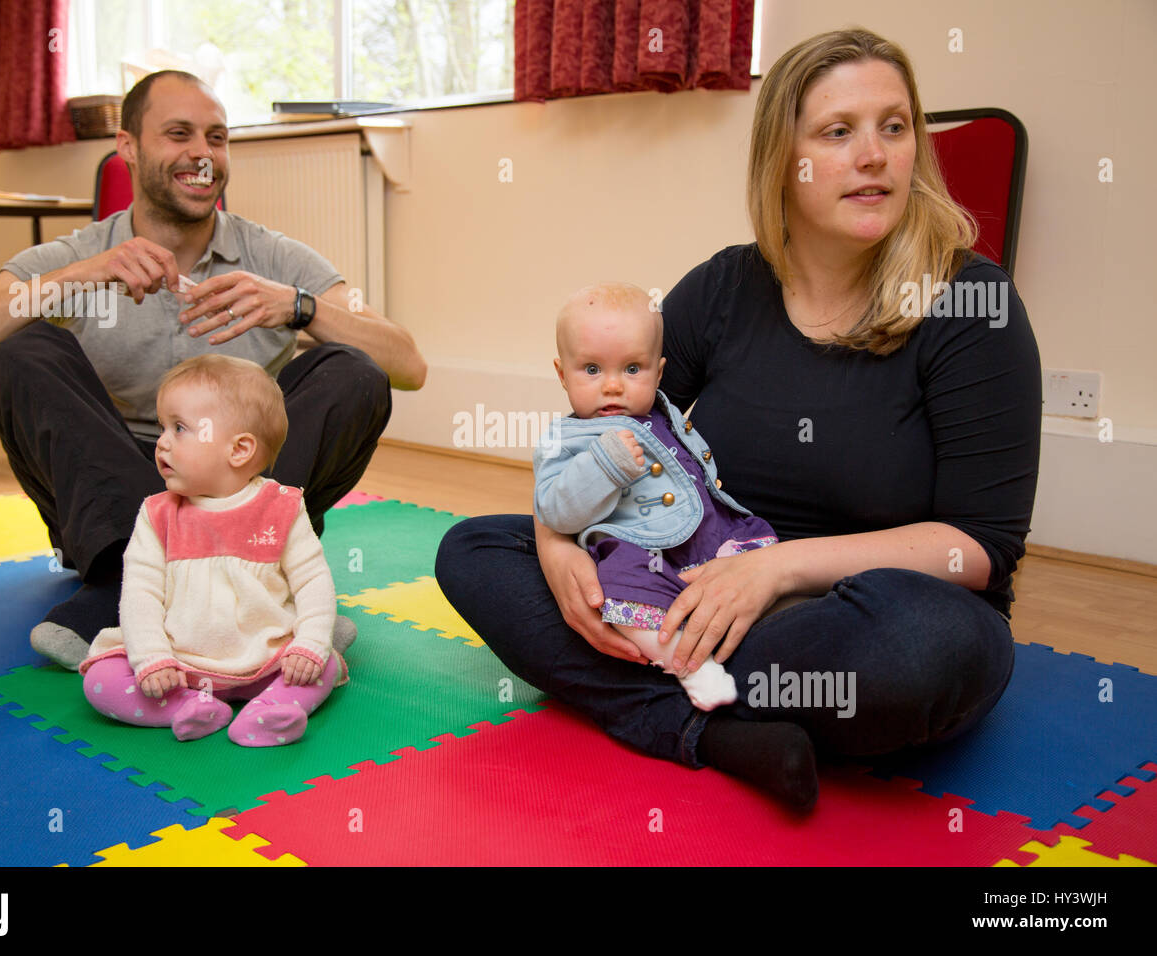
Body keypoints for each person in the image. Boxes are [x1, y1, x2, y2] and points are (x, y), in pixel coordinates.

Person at [436, 28, 1040, 812]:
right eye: (838, 131)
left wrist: (775, 571)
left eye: (895, 127)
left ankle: (659, 699)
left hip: (854, 612)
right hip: (687, 581)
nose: (875, 155)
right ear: (781, 161)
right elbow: (598, 432)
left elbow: (980, 548)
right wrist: (556, 546)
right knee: (474, 549)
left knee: (920, 652)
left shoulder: (972, 307)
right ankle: (709, 726)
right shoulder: (724, 288)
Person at [0, 70, 426, 671]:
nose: (202, 154)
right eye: (179, 134)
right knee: (21, 348)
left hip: (240, 505)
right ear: (128, 148)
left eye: (217, 137)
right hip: (108, 508)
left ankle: (136, 599)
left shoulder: (273, 256)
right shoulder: (76, 255)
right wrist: (78, 278)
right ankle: (159, 579)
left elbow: (407, 365)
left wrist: (300, 306)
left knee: (353, 369)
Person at [534, 282, 779, 710]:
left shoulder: (662, 410)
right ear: (561, 374)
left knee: (749, 563)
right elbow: (555, 509)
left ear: (658, 372)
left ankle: (750, 639)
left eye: (632, 369)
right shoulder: (563, 438)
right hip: (632, 548)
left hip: (704, 532)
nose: (613, 386)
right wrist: (602, 467)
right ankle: (687, 663)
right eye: (592, 370)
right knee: (617, 593)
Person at [80, 354, 344, 745]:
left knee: (326, 664)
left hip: (265, 659)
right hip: (181, 666)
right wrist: (153, 659)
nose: (162, 442)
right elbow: (140, 594)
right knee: (100, 680)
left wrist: (309, 645)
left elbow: (313, 582)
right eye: (163, 427)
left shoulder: (282, 507)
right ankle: (188, 708)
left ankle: (268, 712)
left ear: (238, 450)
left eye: (179, 428)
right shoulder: (157, 515)